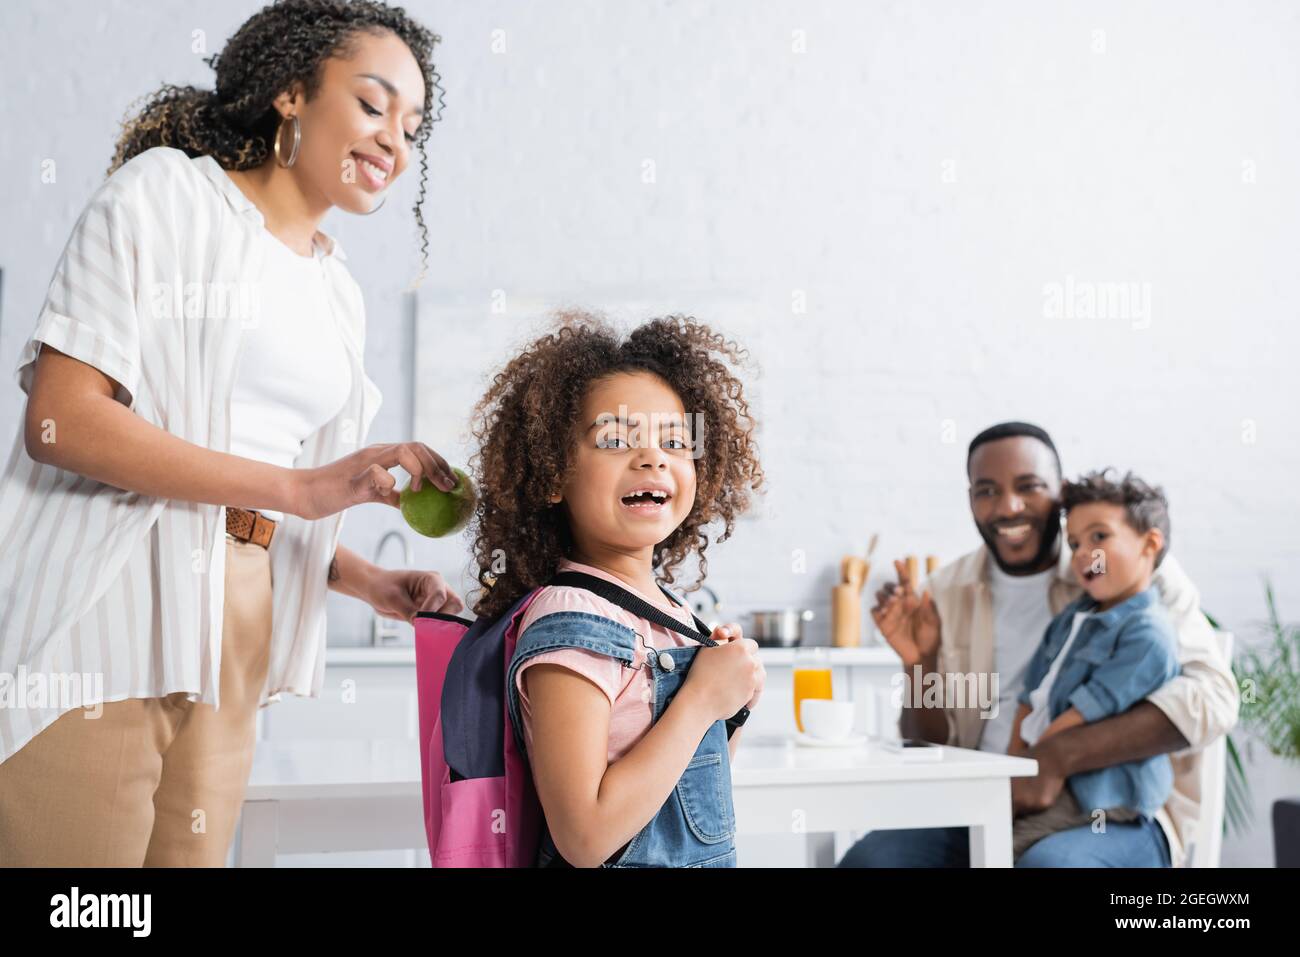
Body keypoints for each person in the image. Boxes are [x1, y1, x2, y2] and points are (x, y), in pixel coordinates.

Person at [0, 0, 463, 867]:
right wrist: (298, 487)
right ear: (291, 93)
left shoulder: (335, 292)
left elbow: (252, 492)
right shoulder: (166, 196)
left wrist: (362, 577)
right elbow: (60, 419)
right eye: (372, 104)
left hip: (240, 624)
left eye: (413, 125)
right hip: (114, 607)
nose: (395, 141)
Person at [838, 421, 1238, 867]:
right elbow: (926, 747)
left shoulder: (1132, 572)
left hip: (1109, 811)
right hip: (982, 804)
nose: (1008, 506)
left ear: (1060, 493)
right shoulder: (946, 591)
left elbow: (1213, 698)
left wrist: (1056, 757)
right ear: (971, 500)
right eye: (986, 490)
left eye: (1029, 486)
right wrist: (919, 663)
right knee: (871, 862)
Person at [469, 312, 766, 867]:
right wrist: (700, 700)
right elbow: (584, 837)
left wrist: (732, 707)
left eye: (675, 441)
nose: (653, 456)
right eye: (615, 440)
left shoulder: (669, 612)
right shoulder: (573, 620)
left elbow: (683, 801)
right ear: (552, 474)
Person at [1008, 470, 1180, 858]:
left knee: (1005, 847)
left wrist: (1031, 769)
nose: (1083, 552)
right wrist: (1013, 768)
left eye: (1099, 537)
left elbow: (1086, 711)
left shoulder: (1148, 634)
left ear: (1150, 544)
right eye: (1074, 543)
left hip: (1099, 800)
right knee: (978, 835)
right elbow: (1028, 698)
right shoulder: (1069, 620)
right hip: (1038, 776)